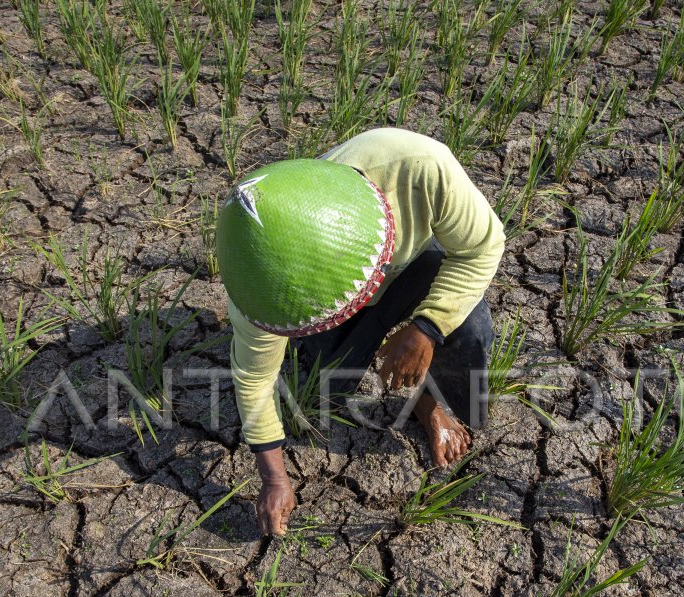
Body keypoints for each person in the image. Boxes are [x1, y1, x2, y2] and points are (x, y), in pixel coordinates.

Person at [217, 128, 506, 537]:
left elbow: (483, 247)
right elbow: (254, 379)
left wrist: (426, 329)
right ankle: (353, 339)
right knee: (328, 388)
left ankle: (430, 402)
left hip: (418, 265)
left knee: (469, 327)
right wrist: (274, 478)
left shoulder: (421, 169)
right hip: (317, 281)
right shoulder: (257, 286)